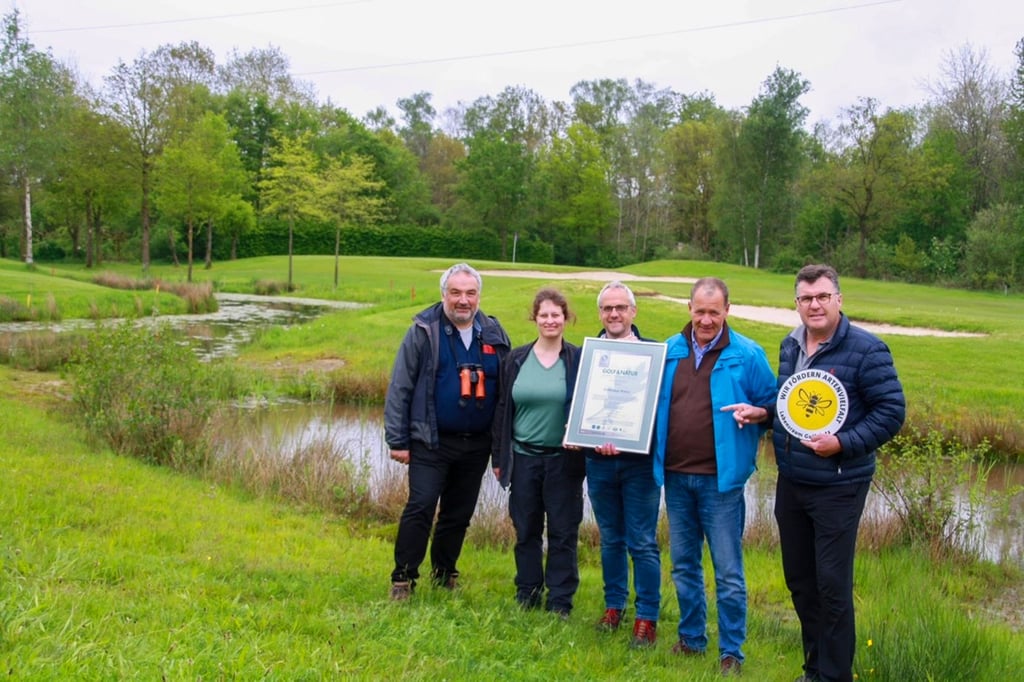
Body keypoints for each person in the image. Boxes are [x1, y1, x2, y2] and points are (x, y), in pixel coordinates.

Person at [772, 264, 905, 682]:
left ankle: (833, 676)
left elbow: (891, 412)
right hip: (792, 481)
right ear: (797, 304)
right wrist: (762, 413)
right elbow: (790, 407)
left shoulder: (868, 350)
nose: (814, 305)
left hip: (838, 484)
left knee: (831, 586)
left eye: (822, 296)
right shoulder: (790, 345)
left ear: (838, 300)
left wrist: (842, 443)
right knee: (800, 581)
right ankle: (814, 670)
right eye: (806, 298)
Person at [651, 277, 777, 676]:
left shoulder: (747, 354)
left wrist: (760, 413)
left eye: (714, 312)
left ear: (727, 311)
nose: (706, 320)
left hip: (721, 484)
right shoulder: (669, 351)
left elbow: (774, 405)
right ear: (689, 308)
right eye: (700, 311)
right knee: (684, 566)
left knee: (728, 573)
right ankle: (691, 639)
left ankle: (731, 652)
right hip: (676, 478)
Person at [383, 263, 511, 600]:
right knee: (421, 506)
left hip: (477, 445)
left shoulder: (494, 333)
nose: (463, 300)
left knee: (458, 514)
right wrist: (397, 439)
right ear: (443, 295)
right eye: (455, 292)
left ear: (479, 296)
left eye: (470, 293)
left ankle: (444, 573)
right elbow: (400, 386)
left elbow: (505, 396)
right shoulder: (423, 331)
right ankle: (403, 578)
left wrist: (501, 450)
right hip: (431, 441)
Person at [492, 288, 583, 618]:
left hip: (563, 461)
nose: (550, 320)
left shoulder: (578, 360)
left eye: (556, 314)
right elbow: (502, 409)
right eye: (544, 315)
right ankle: (527, 591)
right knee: (526, 529)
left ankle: (559, 600)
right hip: (523, 458)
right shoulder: (516, 360)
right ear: (535, 318)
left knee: (563, 532)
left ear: (565, 318)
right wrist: (499, 457)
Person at [585, 281, 662, 649]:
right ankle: (614, 606)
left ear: (633, 311)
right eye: (607, 308)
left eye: (620, 307)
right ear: (600, 313)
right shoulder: (588, 355)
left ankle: (647, 617)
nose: (613, 314)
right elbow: (577, 405)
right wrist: (581, 434)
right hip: (598, 462)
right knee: (610, 538)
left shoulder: (653, 354)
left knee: (642, 542)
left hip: (639, 465)